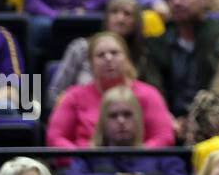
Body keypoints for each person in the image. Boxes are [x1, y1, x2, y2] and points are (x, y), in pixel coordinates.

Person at [58, 86, 191, 175]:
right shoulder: (89, 157)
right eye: (113, 116)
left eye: (127, 114)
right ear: (103, 121)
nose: (121, 121)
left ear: (138, 119)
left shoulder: (160, 156)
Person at [46, 32, 175, 148]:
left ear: (128, 60)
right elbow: (55, 138)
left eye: (114, 53)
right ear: (90, 65)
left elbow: (164, 137)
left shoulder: (149, 94)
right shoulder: (73, 95)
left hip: (141, 168)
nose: (108, 58)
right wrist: (82, 159)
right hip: (86, 169)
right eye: (100, 55)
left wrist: (138, 157)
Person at [147, 0, 219, 137]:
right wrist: (166, 118)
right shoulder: (158, 43)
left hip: (217, 123)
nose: (176, 2)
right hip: (169, 124)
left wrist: (198, 120)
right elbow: (154, 88)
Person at [46, 0, 148, 109]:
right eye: (114, 12)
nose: (120, 19)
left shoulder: (144, 54)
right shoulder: (81, 48)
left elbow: (150, 97)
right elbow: (54, 95)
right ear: (106, 18)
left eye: (127, 14)